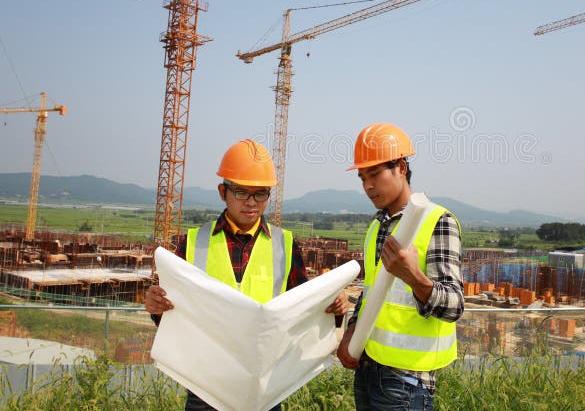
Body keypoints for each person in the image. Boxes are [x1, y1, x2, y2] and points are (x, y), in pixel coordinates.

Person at [145, 139, 348, 411]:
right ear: (222, 191)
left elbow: (304, 310)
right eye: (241, 192)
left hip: (263, 389)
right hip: (206, 387)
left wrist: (335, 307)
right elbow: (174, 315)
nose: (251, 203)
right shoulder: (193, 243)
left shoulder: (285, 245)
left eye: (260, 194)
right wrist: (156, 307)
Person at [336, 123, 464, 411]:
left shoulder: (437, 222)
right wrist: (350, 333)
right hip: (368, 371)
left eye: (375, 174)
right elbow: (370, 294)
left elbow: (454, 306)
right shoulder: (375, 227)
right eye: (362, 177)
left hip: (407, 382)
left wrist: (413, 277)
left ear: (401, 168)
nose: (368, 185)